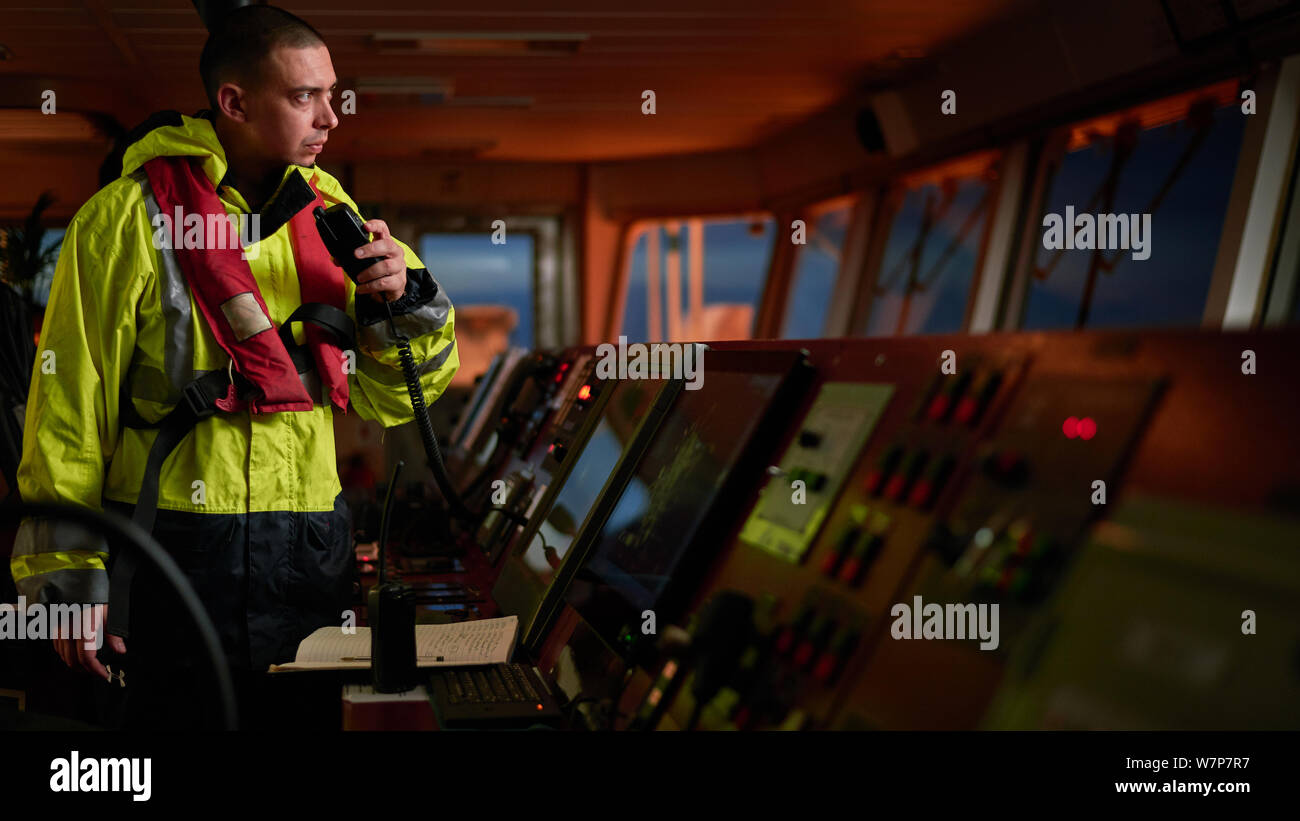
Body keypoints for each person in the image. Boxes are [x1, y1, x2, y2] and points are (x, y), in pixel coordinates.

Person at [9, 5, 459, 729]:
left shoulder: (333, 212)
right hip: (173, 556)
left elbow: (390, 399)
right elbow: (68, 410)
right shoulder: (125, 221)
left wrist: (402, 302)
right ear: (235, 102)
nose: (330, 118)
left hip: (310, 554)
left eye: (331, 94)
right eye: (304, 96)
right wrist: (68, 583)